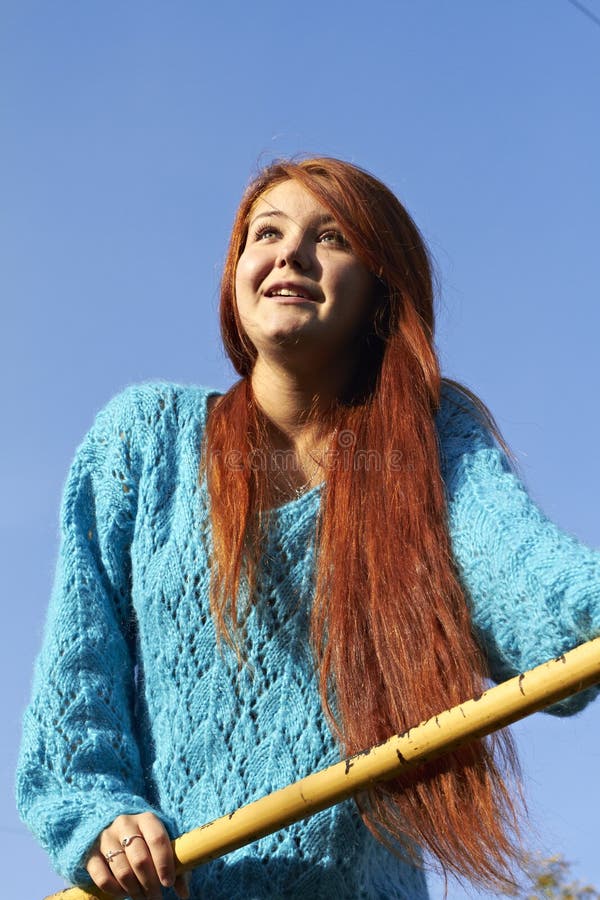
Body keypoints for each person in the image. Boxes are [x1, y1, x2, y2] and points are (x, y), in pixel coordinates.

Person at [17, 157, 600, 900]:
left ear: (382, 290)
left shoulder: (429, 438)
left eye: (330, 237)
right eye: (266, 232)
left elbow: (533, 584)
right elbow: (76, 689)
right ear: (236, 275)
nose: (289, 252)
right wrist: (101, 816)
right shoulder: (141, 441)